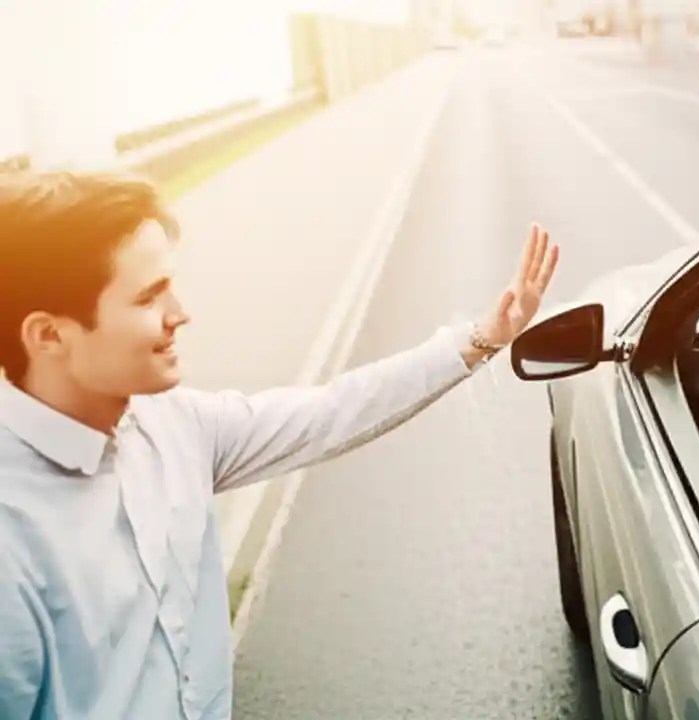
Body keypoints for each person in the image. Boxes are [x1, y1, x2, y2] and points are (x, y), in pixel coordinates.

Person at [0, 170, 559, 719]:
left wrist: (483, 337)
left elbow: (331, 411)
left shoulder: (173, 425)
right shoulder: (13, 539)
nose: (180, 314)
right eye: (148, 298)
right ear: (48, 336)